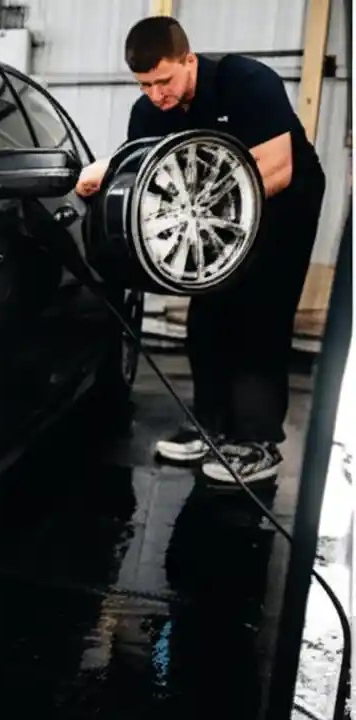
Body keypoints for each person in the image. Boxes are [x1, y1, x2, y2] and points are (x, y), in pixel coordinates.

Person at [77, 16, 326, 484]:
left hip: (283, 206)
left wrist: (206, 209)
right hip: (212, 217)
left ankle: (257, 442)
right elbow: (145, 171)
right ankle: (211, 426)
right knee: (207, 316)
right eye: (145, 84)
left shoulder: (247, 82)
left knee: (260, 314)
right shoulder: (149, 111)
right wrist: (104, 169)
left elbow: (276, 168)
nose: (157, 94)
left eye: (164, 80)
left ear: (188, 61)